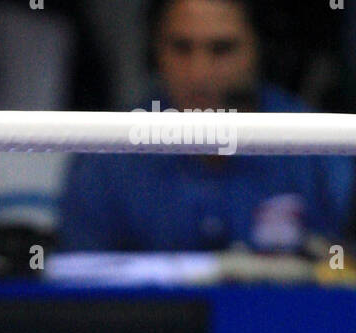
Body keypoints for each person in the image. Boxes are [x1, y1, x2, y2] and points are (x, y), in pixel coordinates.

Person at [59, 0, 354, 253]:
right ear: (154, 51)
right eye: (181, 47)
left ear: (259, 49)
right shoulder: (109, 153)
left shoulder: (318, 145)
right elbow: (80, 298)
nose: (199, 73)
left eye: (221, 49)